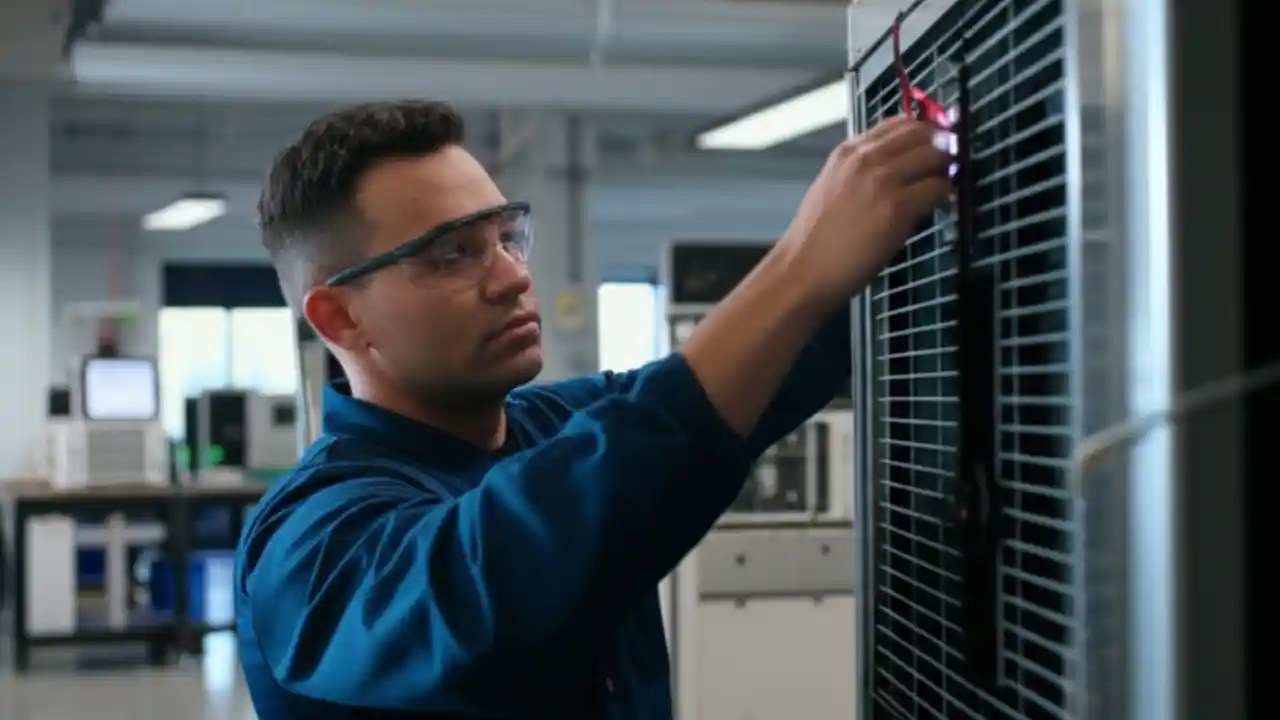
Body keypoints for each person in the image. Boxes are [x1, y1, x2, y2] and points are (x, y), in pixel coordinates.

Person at [235, 99, 953, 719]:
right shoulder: (311, 543)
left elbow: (744, 380)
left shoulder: (548, 427)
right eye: (452, 255)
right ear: (340, 320)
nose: (513, 278)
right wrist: (797, 267)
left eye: (506, 237)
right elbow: (492, 587)